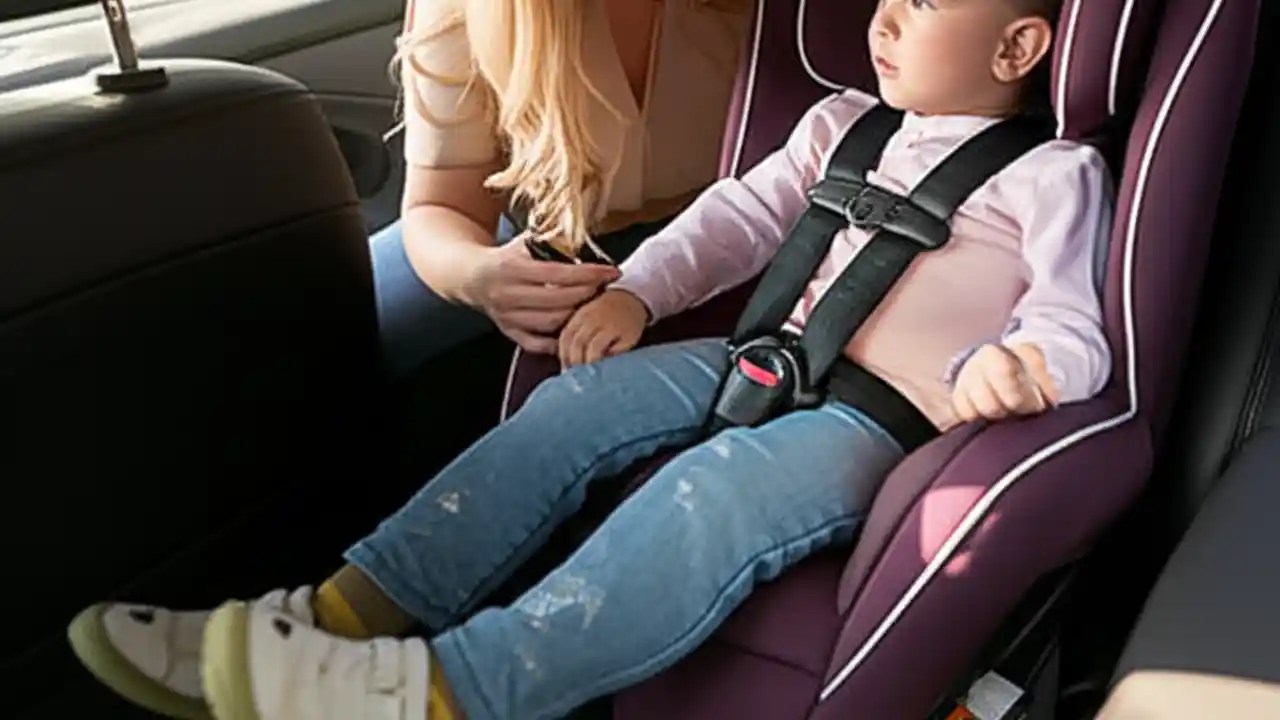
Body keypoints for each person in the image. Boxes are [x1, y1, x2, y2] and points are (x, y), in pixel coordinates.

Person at [66, 1, 1115, 719]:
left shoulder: (1050, 173)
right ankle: (341, 613)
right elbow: (736, 216)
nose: (880, 16)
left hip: (874, 420)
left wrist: (1020, 365)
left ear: (1018, 46)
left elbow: (1076, 322)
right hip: (759, 351)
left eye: (924, 2)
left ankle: (442, 691)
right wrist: (638, 290)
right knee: (567, 412)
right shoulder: (840, 123)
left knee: (715, 489)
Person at [372, 0, 751, 377]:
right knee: (330, 324)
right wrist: (480, 276)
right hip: (544, 241)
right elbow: (442, 205)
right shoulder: (466, 9)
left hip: (738, 231)